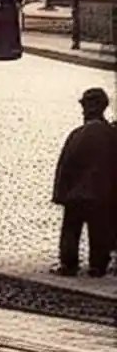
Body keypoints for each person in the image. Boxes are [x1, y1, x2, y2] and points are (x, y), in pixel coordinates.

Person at [51, 88, 117, 277]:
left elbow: (66, 165)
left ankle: (68, 264)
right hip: (102, 193)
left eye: (83, 106)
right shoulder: (111, 134)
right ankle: (97, 266)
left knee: (71, 229)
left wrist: (60, 193)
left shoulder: (77, 134)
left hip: (76, 193)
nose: (82, 110)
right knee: (100, 230)